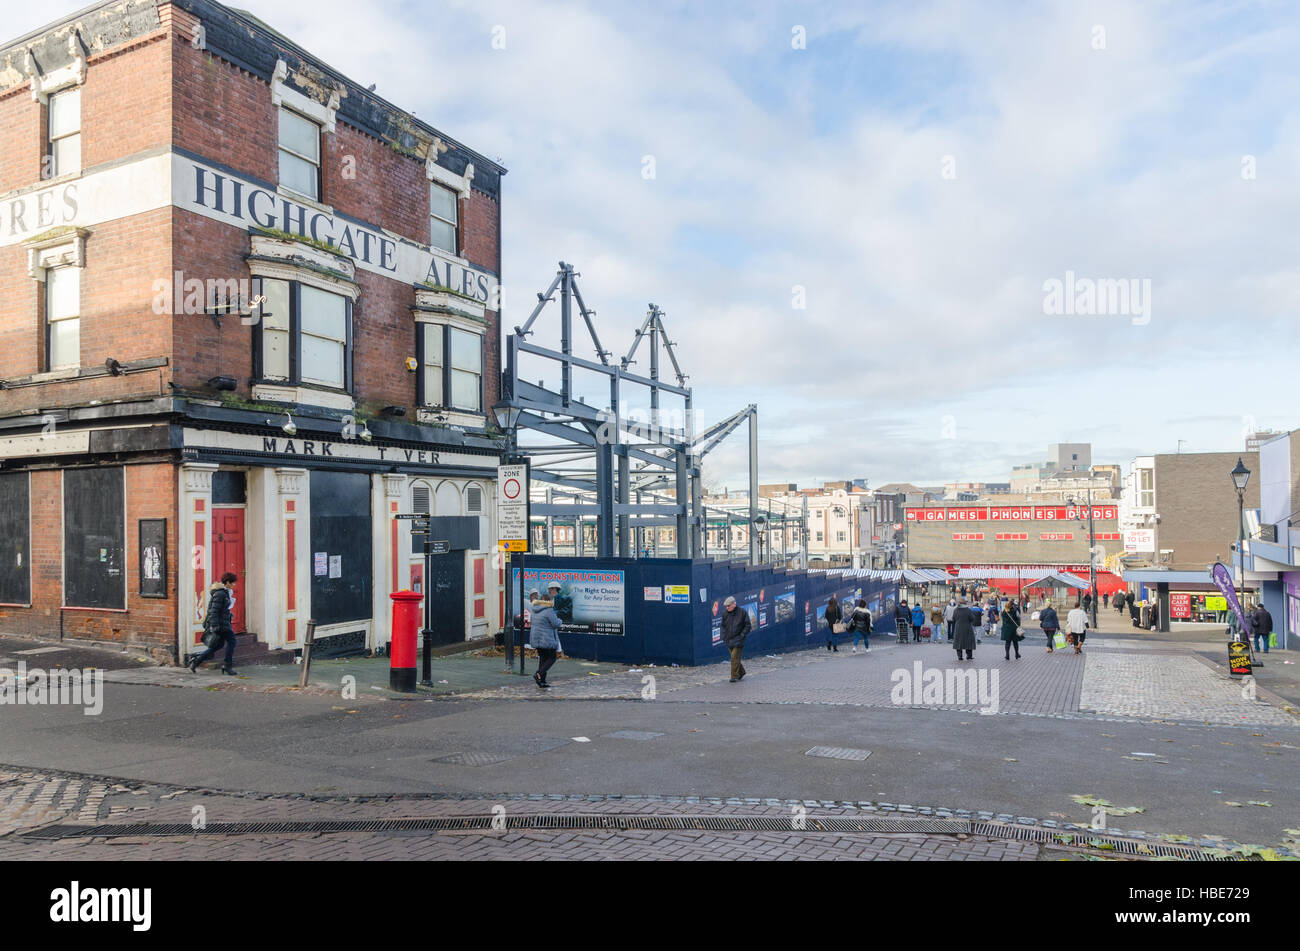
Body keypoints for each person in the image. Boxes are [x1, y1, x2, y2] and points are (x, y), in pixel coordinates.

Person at [189, 572, 238, 674]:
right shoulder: (220, 594)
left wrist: (229, 615)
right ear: (227, 582)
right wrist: (215, 626)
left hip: (223, 622)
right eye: (232, 583)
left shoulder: (225, 593)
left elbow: (223, 609)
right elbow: (214, 611)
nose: (234, 585)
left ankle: (197, 660)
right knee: (232, 641)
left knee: (218, 646)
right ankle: (227, 665)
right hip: (221, 624)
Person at [529, 583, 563, 688]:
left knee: (543, 658)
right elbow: (555, 623)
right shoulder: (548, 610)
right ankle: (539, 674)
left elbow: (532, 622)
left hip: (536, 638)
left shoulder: (534, 610)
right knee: (552, 658)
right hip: (546, 638)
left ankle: (541, 681)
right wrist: (560, 620)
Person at [721, 595, 751, 682]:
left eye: (728, 606)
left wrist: (741, 636)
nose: (727, 608)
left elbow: (748, 625)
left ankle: (733, 676)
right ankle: (741, 672)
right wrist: (724, 636)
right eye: (726, 606)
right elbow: (723, 626)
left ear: (734, 604)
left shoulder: (742, 612)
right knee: (736, 658)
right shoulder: (725, 614)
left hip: (738, 640)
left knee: (734, 658)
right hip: (728, 640)